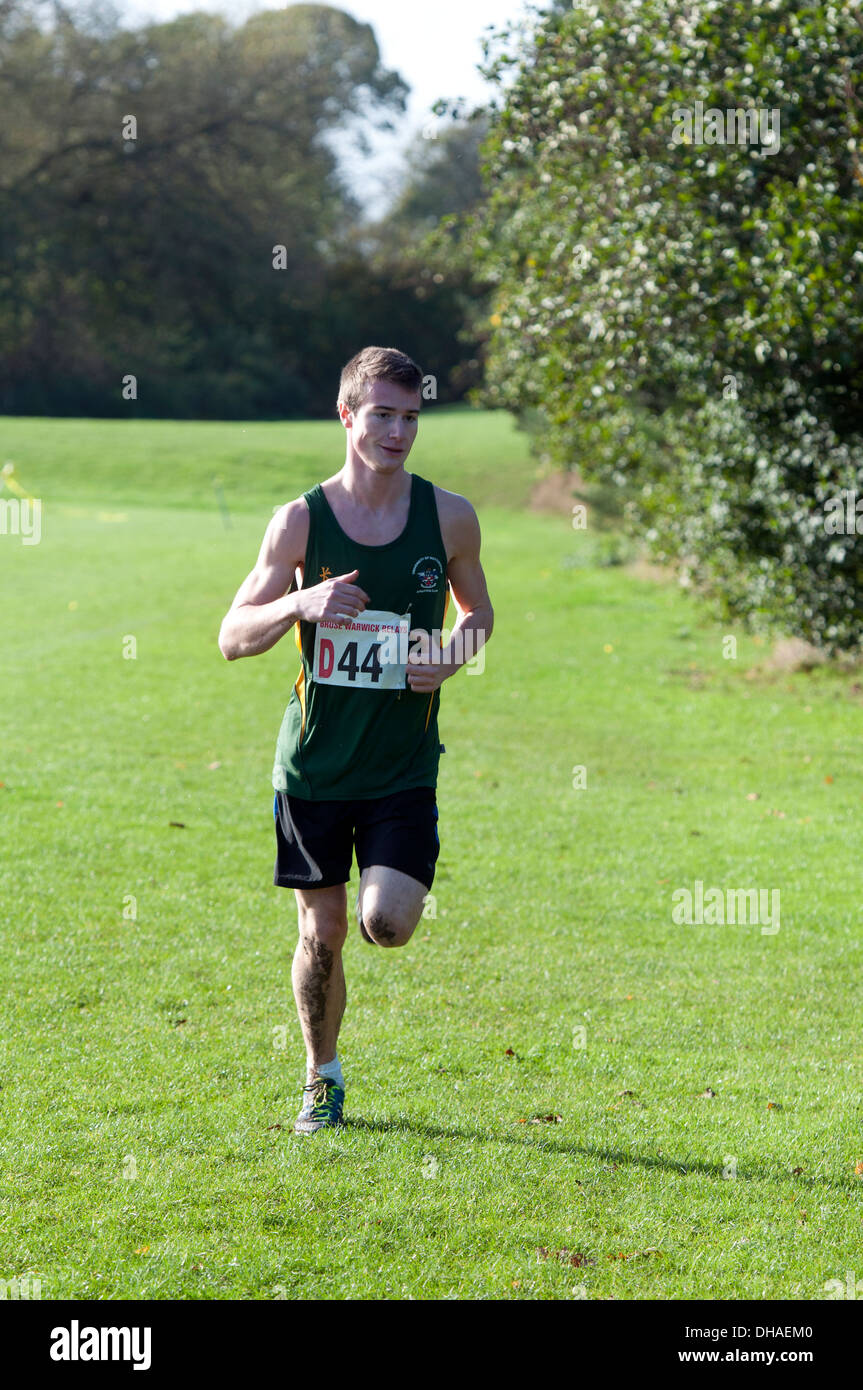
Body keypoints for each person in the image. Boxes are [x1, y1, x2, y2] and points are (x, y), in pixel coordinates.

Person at [218, 346, 493, 1133]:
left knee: (388, 923)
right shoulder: (300, 520)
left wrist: (451, 655)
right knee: (324, 930)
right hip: (312, 769)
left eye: (411, 417)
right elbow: (233, 636)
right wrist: (300, 606)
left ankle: (333, 1043)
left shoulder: (448, 517)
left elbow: (478, 614)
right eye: (382, 414)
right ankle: (321, 1076)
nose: (398, 431)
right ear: (348, 415)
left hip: (402, 766)